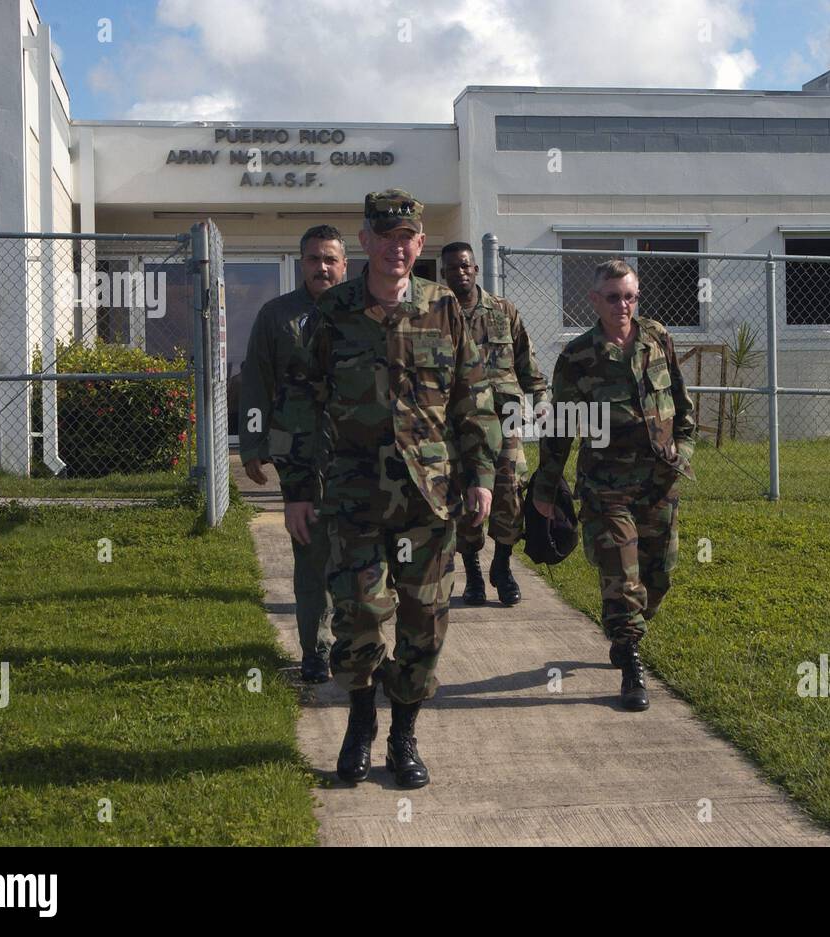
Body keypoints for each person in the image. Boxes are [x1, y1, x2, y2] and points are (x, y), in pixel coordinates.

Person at [275, 189, 501, 788]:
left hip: (430, 497)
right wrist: (297, 488)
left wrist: (481, 476)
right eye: (386, 235)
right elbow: (300, 399)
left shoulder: (444, 307)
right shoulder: (334, 312)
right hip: (354, 495)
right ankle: (358, 725)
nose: (397, 246)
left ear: (419, 244)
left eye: (408, 237)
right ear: (366, 241)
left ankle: (403, 733)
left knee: (424, 623)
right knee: (358, 618)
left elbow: (473, 400)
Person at [531, 259, 696, 712]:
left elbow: (682, 403)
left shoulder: (657, 338)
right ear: (594, 300)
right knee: (622, 578)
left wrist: (684, 450)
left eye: (629, 296)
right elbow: (562, 428)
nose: (622, 305)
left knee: (658, 575)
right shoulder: (578, 356)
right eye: (612, 297)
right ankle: (630, 662)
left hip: (660, 482)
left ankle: (629, 632)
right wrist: (546, 490)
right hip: (607, 487)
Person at [238, 224, 347, 683]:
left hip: (356, 454)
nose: (321, 267)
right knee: (311, 554)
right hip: (298, 453)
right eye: (313, 259)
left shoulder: (364, 312)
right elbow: (255, 382)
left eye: (330, 259)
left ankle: (354, 644)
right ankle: (315, 650)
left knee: (359, 553)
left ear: (344, 264)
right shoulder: (276, 315)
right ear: (301, 262)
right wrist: (252, 445)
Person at [440, 242, 549, 607]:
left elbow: (526, 364)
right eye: (453, 268)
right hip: (458, 422)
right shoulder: (435, 314)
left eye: (466, 266)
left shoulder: (504, 311)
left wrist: (542, 399)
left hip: (506, 420)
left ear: (475, 269)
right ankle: (472, 571)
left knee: (509, 494)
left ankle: (501, 566)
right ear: (444, 274)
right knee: (468, 495)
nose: (461, 273)